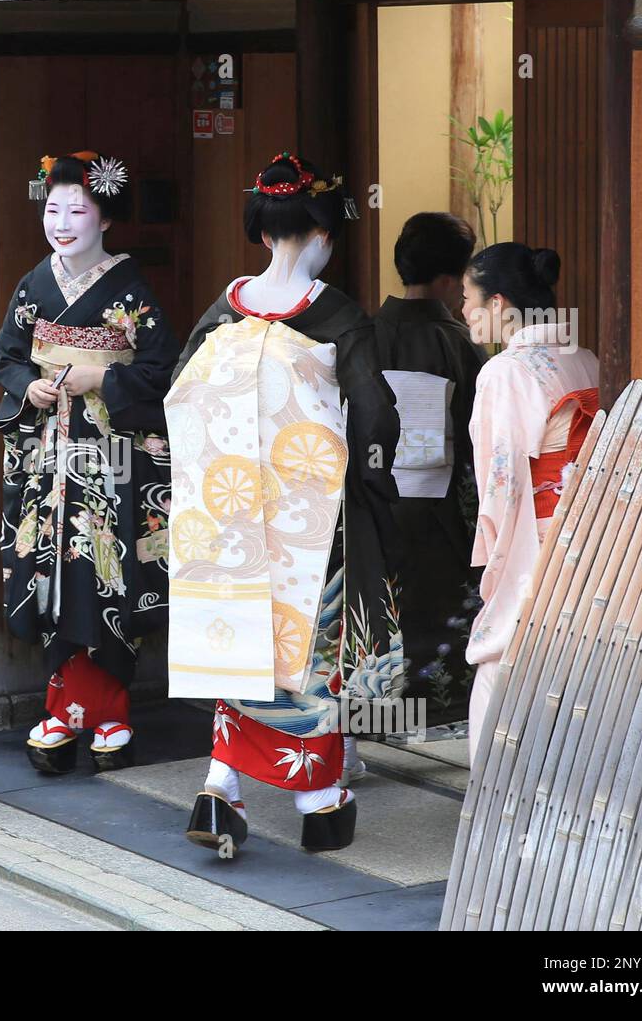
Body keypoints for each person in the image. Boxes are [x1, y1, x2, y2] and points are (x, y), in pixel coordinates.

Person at [168, 153, 403, 854]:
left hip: (229, 513)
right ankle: (320, 799)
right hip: (313, 515)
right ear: (322, 232)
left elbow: (182, 394)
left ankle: (220, 787)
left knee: (237, 636)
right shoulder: (335, 314)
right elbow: (377, 415)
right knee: (309, 652)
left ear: (264, 231)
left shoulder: (228, 305)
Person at [0, 151, 178, 774]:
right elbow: (7, 354)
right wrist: (28, 387)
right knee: (52, 567)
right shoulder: (32, 283)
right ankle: (61, 705)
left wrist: (101, 376)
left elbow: (160, 370)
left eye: (78, 209)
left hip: (110, 454)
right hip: (47, 451)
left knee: (106, 567)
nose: (62, 222)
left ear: (105, 217)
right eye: (53, 209)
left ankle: (112, 708)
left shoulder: (130, 287)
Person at [462, 243, 599, 762]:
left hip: (535, 536)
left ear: (499, 304)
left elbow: (502, 480)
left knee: (500, 662)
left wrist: (496, 555)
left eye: (468, 298)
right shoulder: (582, 358)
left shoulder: (505, 371)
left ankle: (492, 812)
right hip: (586, 535)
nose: (464, 311)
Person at [372, 213, 486, 744]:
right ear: (450, 279)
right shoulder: (454, 341)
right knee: (438, 602)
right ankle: (438, 715)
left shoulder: (367, 331)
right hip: (438, 499)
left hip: (374, 493)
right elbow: (475, 426)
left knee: (383, 607)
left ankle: (371, 716)